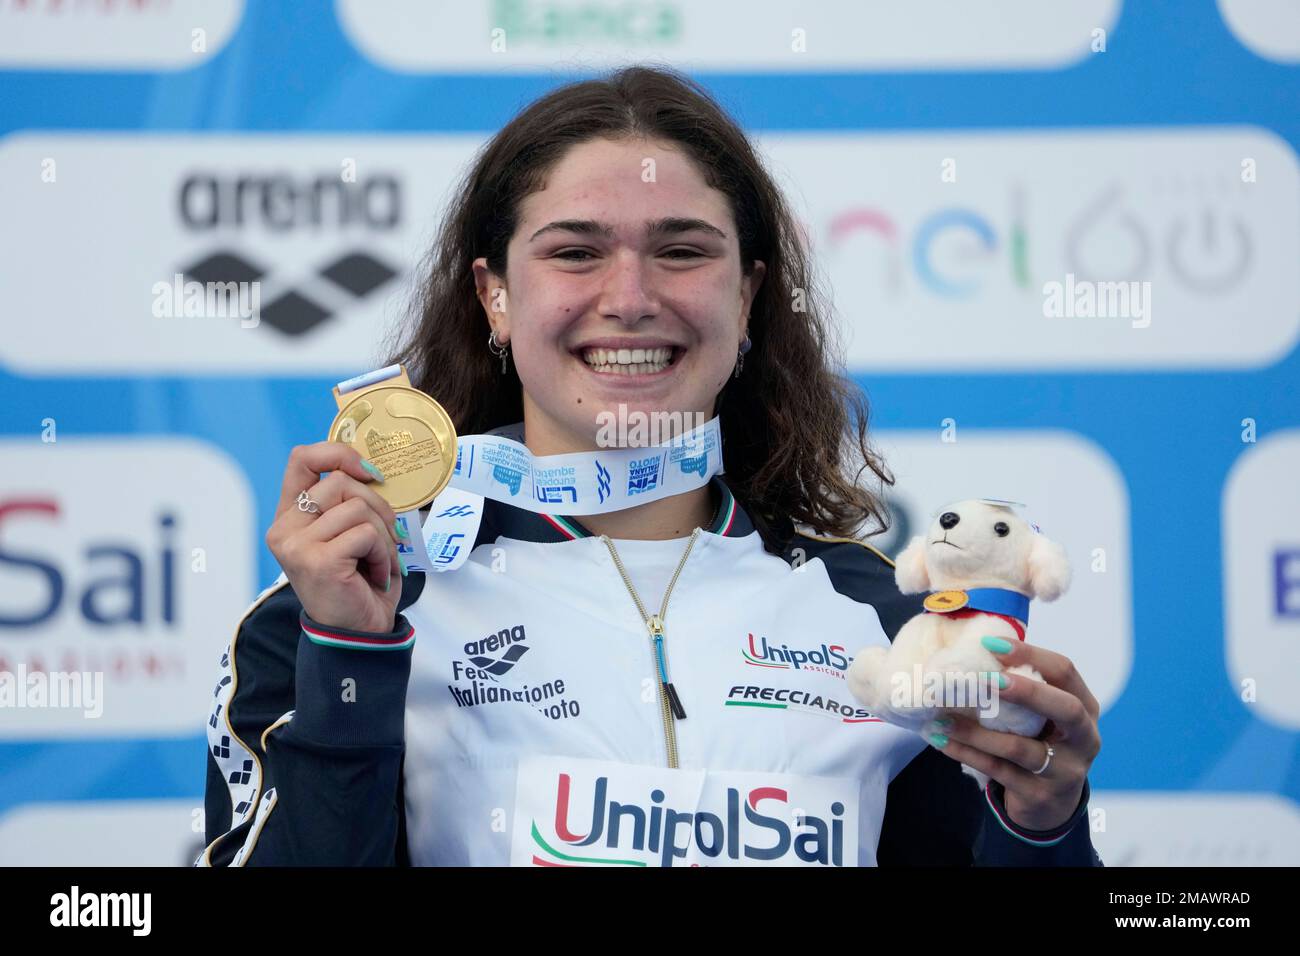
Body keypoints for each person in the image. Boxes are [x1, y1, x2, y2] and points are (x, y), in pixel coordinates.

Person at [197, 65, 1102, 867]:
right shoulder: (345, 617)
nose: (630, 300)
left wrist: (1042, 828)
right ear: (495, 298)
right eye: (575, 252)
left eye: (680, 251)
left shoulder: (885, 622)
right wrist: (350, 662)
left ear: (746, 297)